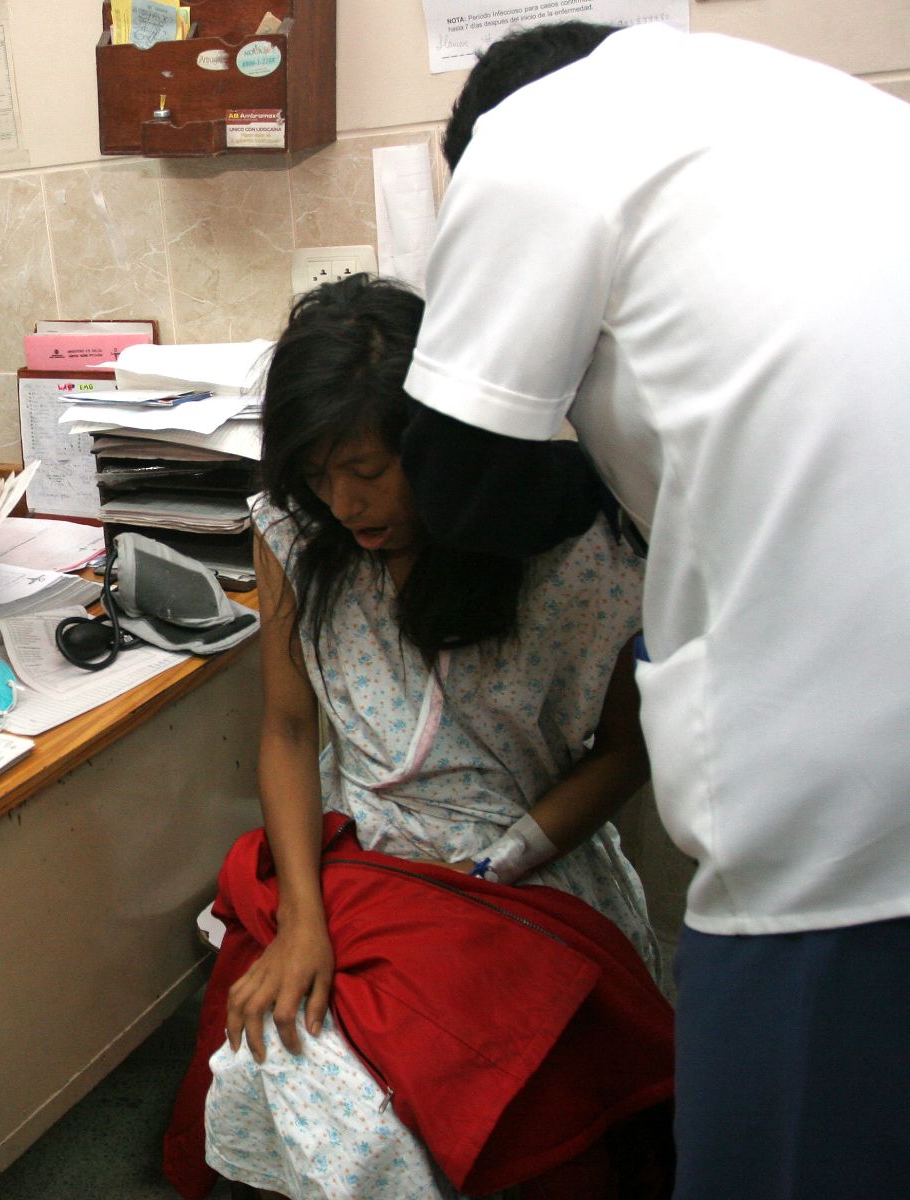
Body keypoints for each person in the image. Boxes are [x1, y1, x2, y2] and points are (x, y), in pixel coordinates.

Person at [395, 22, 910, 1195]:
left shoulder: (527, 139)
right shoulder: (819, 103)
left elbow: (463, 487)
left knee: (785, 1145)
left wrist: (584, 445)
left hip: (847, 758)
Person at [163, 276, 669, 1200]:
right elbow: (288, 728)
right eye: (320, 476)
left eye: (367, 471)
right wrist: (303, 922)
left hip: (522, 865)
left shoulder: (583, 553)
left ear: (441, 445)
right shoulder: (294, 532)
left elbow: (626, 755)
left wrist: (503, 862)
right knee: (295, 1060)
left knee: (501, 1105)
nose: (344, 504)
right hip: (357, 861)